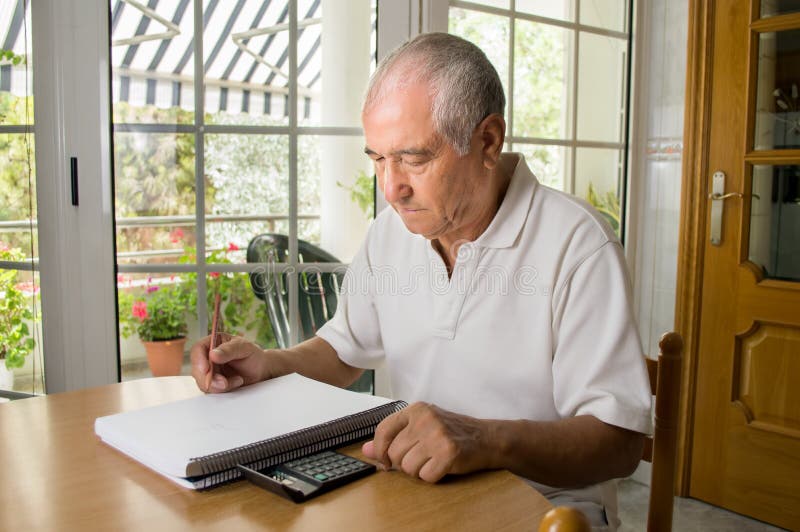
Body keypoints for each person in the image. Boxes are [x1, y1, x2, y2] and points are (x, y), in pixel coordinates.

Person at [190, 32, 651, 531]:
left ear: (487, 142)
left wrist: (485, 440)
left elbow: (619, 443)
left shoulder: (577, 245)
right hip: (418, 495)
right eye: (378, 159)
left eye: (414, 158)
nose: (391, 188)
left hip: (546, 509)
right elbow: (343, 352)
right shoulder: (392, 232)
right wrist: (267, 365)